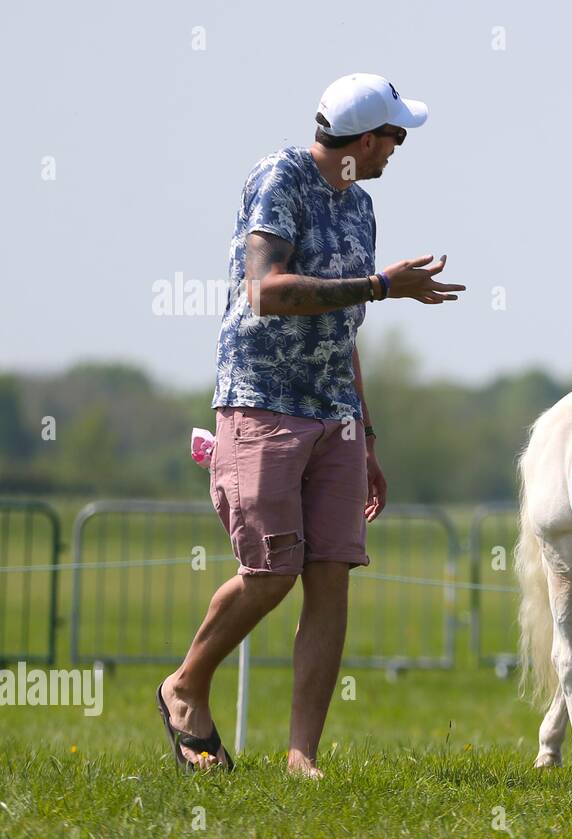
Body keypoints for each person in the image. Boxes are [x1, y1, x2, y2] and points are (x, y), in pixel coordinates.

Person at [156, 73, 465, 778]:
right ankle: (183, 686)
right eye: (395, 135)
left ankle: (303, 755)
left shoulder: (361, 207)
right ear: (364, 139)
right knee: (271, 572)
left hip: (336, 414)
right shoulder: (280, 178)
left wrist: (368, 430)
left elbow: (344, 326)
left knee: (331, 577)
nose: (399, 148)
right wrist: (383, 286)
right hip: (263, 401)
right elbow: (266, 291)